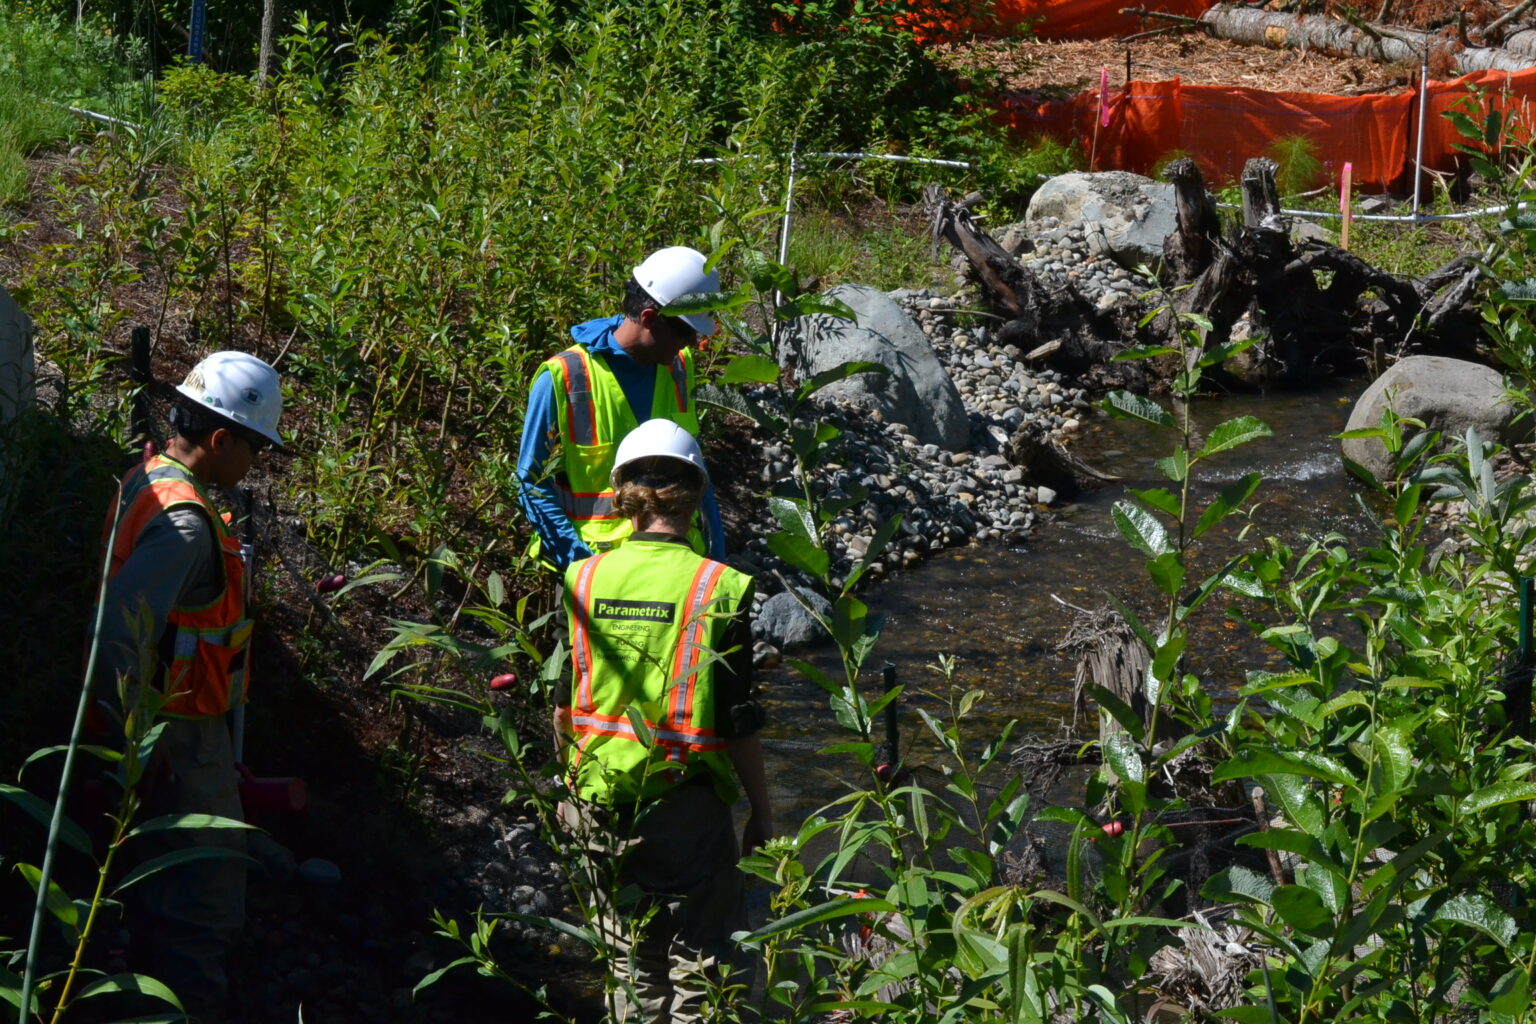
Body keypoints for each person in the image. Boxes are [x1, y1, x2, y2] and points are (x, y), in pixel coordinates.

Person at [552, 418, 772, 1022]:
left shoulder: (583, 576)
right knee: (706, 963)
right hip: (684, 804)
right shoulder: (719, 587)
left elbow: (567, 702)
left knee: (628, 955)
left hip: (595, 795)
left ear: (622, 494)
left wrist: (565, 786)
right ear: (695, 493)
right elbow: (738, 719)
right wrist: (761, 811)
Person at [94, 350, 287, 1020]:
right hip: (176, 735)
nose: (254, 465)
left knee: (155, 887)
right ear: (220, 439)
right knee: (205, 903)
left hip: (171, 729)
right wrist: (131, 743)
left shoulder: (150, 476)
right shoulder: (183, 524)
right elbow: (121, 633)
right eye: (254, 450)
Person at [517, 245, 728, 572]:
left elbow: (696, 470)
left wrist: (716, 554)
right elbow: (531, 482)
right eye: (686, 331)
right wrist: (581, 568)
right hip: (593, 567)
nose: (691, 343)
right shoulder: (564, 378)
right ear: (649, 318)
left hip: (675, 569)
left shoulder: (679, 368)